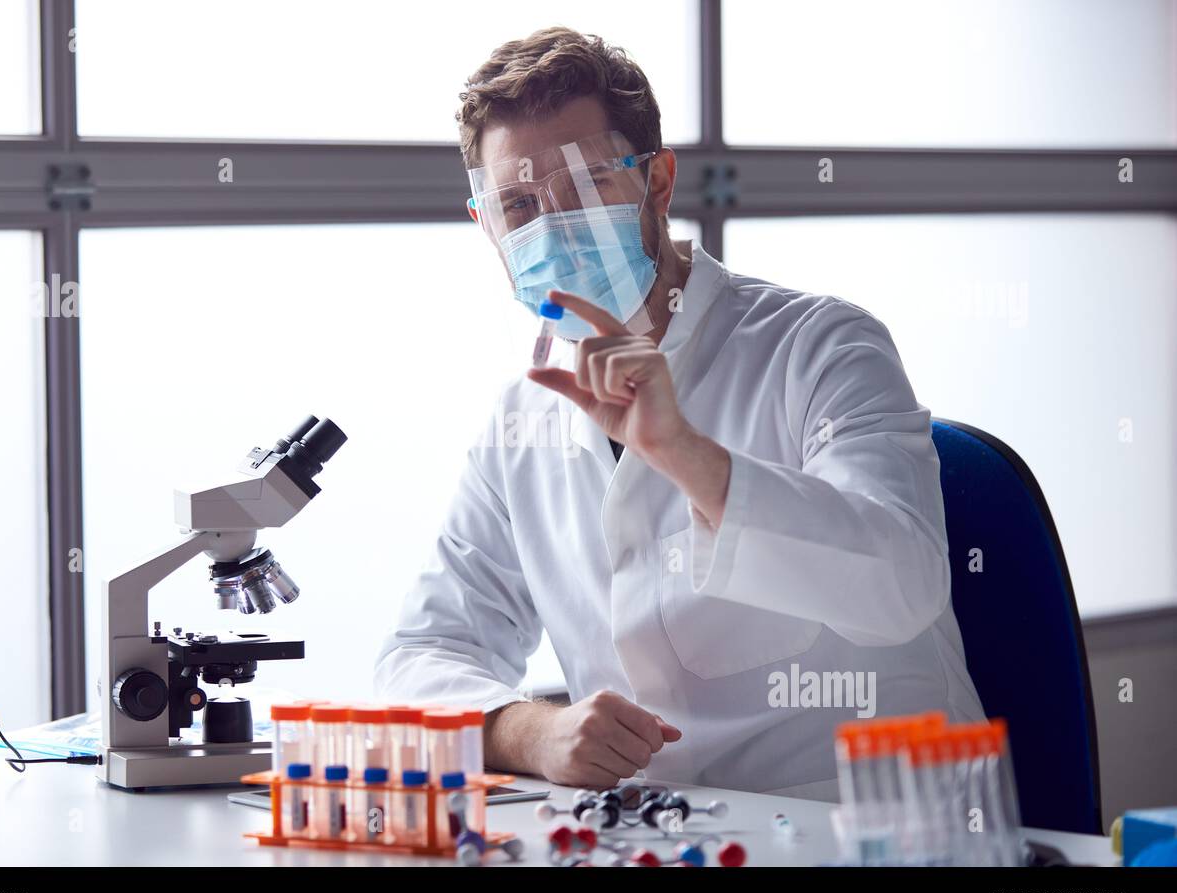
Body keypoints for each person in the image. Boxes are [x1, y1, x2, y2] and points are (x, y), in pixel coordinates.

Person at [375, 27, 984, 798]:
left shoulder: (820, 344)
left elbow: (903, 584)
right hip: (660, 833)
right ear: (485, 224)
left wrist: (688, 456)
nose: (552, 225)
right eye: (520, 204)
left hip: (869, 826)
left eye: (590, 185)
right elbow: (419, 654)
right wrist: (530, 731)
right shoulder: (522, 418)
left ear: (658, 183)